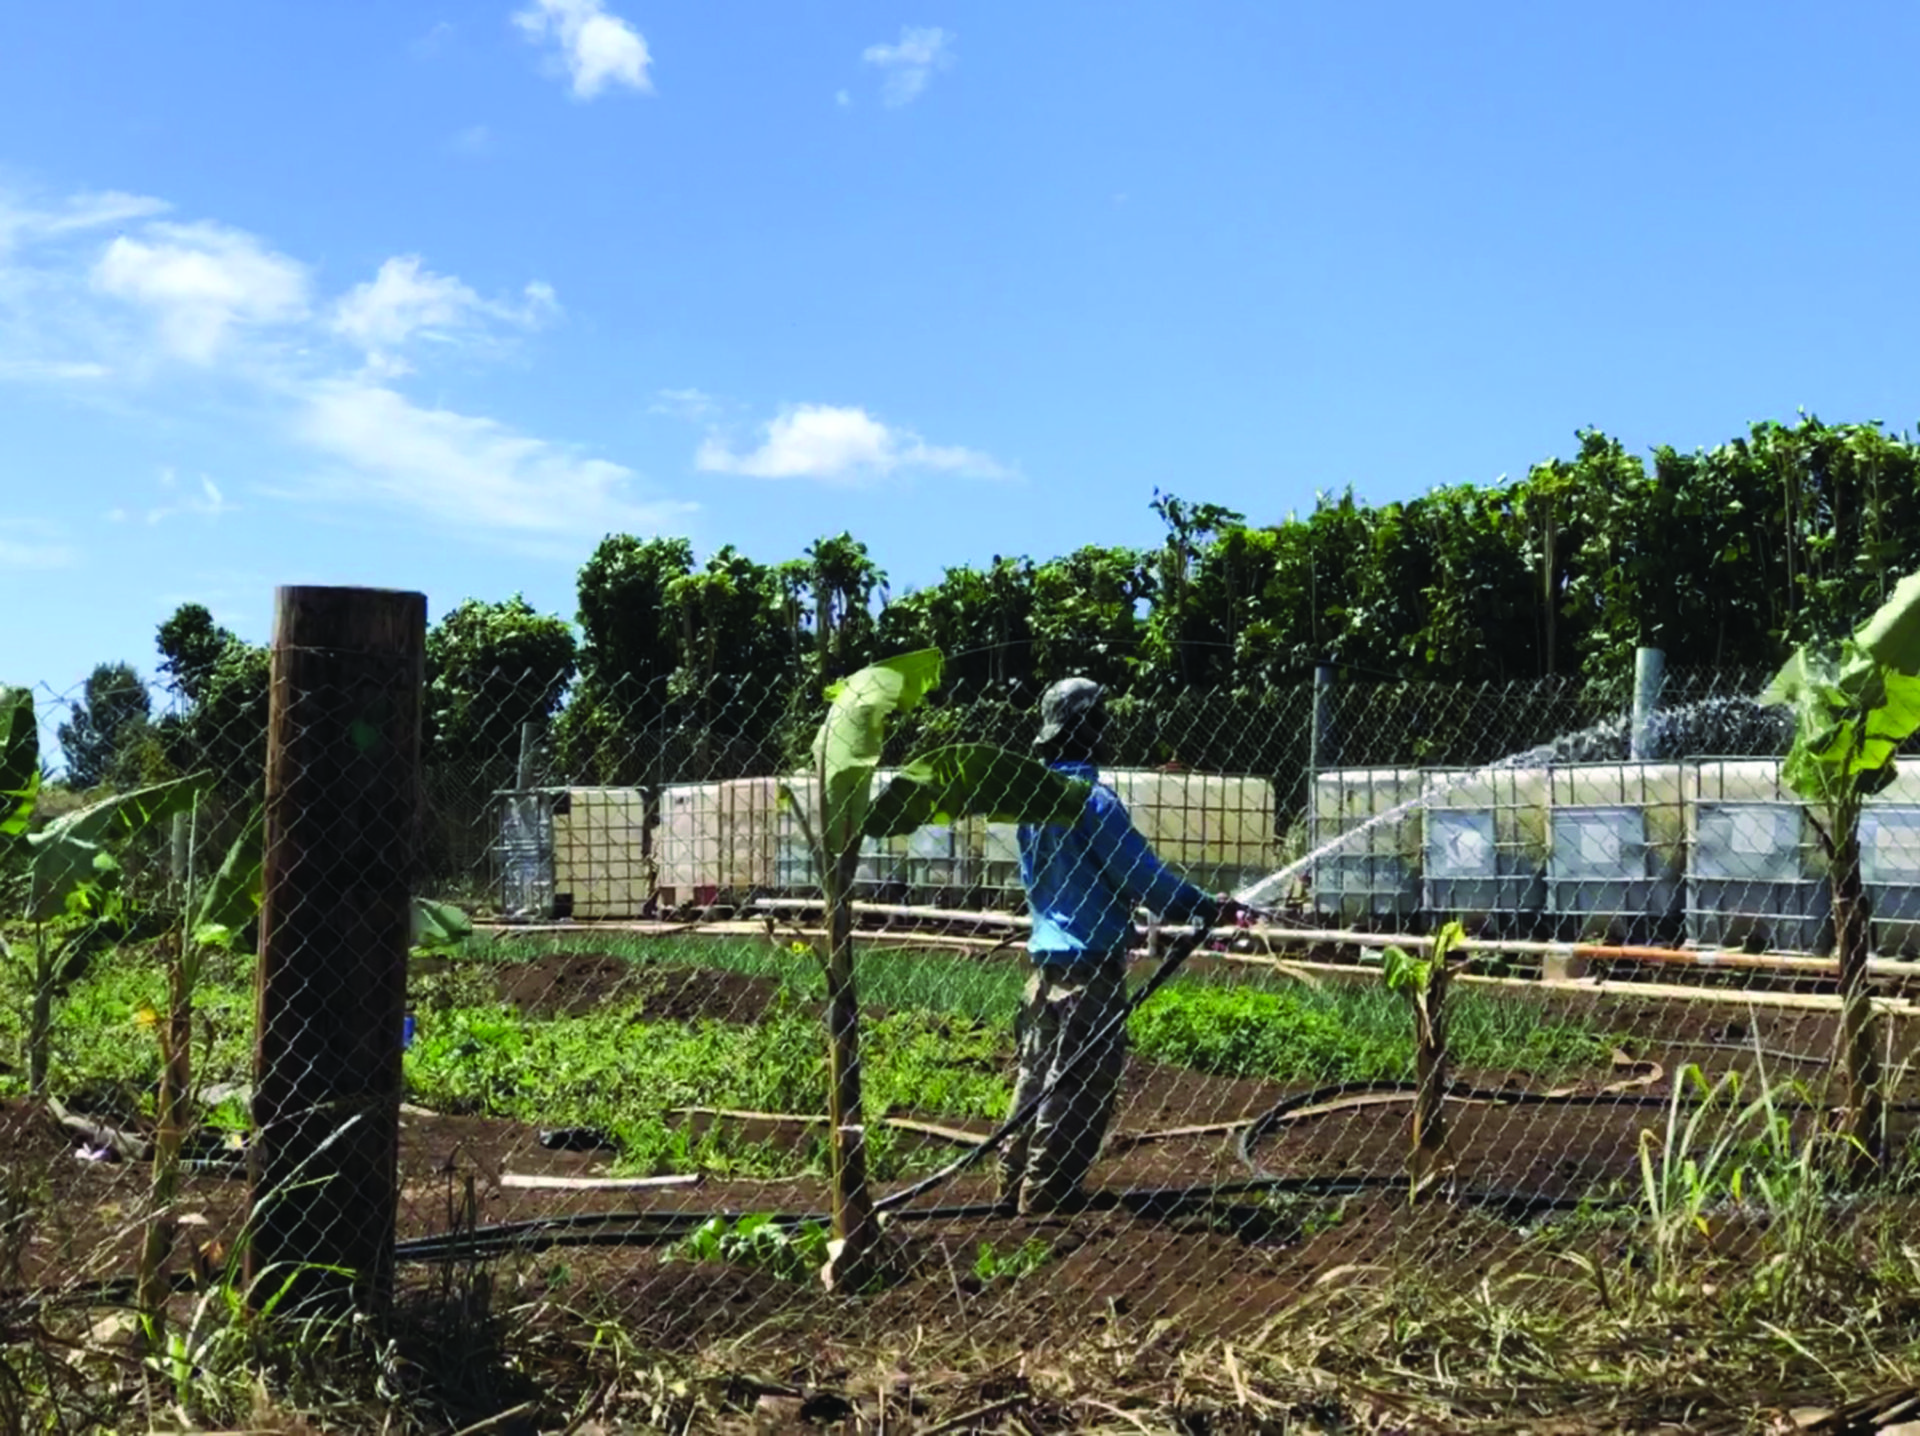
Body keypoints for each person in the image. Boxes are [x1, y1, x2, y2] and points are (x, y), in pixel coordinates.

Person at [998, 676, 1241, 1215]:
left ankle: (1010, 1180)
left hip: (1045, 965)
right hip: (1090, 969)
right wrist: (1201, 905)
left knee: (1037, 1076)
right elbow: (1141, 878)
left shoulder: (1034, 800)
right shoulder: (1094, 802)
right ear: (1087, 728)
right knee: (1080, 1084)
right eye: (1100, 720)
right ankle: (1046, 1192)